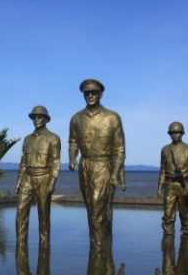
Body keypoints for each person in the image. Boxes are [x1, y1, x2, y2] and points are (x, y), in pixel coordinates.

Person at [69, 79, 126, 247]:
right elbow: (73, 142)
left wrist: (115, 174)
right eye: (87, 93)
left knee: (97, 209)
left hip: (104, 165)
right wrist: (72, 158)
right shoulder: (76, 118)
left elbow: (120, 149)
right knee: (93, 209)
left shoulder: (112, 117)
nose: (90, 95)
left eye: (94, 92)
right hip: (85, 165)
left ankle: (98, 247)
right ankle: (101, 244)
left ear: (101, 94)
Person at [15, 106, 61, 246]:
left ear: (46, 119)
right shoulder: (27, 139)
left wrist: (52, 183)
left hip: (44, 178)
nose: (36, 119)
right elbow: (23, 162)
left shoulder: (53, 138)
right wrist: (18, 181)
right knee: (21, 212)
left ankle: (44, 245)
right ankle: (21, 244)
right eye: (34, 117)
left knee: (43, 215)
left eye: (40, 117)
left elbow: (56, 162)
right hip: (27, 178)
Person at [157, 121, 188, 236]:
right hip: (169, 185)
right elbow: (162, 169)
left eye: (178, 132)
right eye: (173, 133)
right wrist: (159, 187)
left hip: (184, 185)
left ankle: (187, 237)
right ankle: (168, 241)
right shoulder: (165, 150)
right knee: (168, 214)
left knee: (186, 214)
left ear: (182, 133)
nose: (175, 135)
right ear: (169, 134)